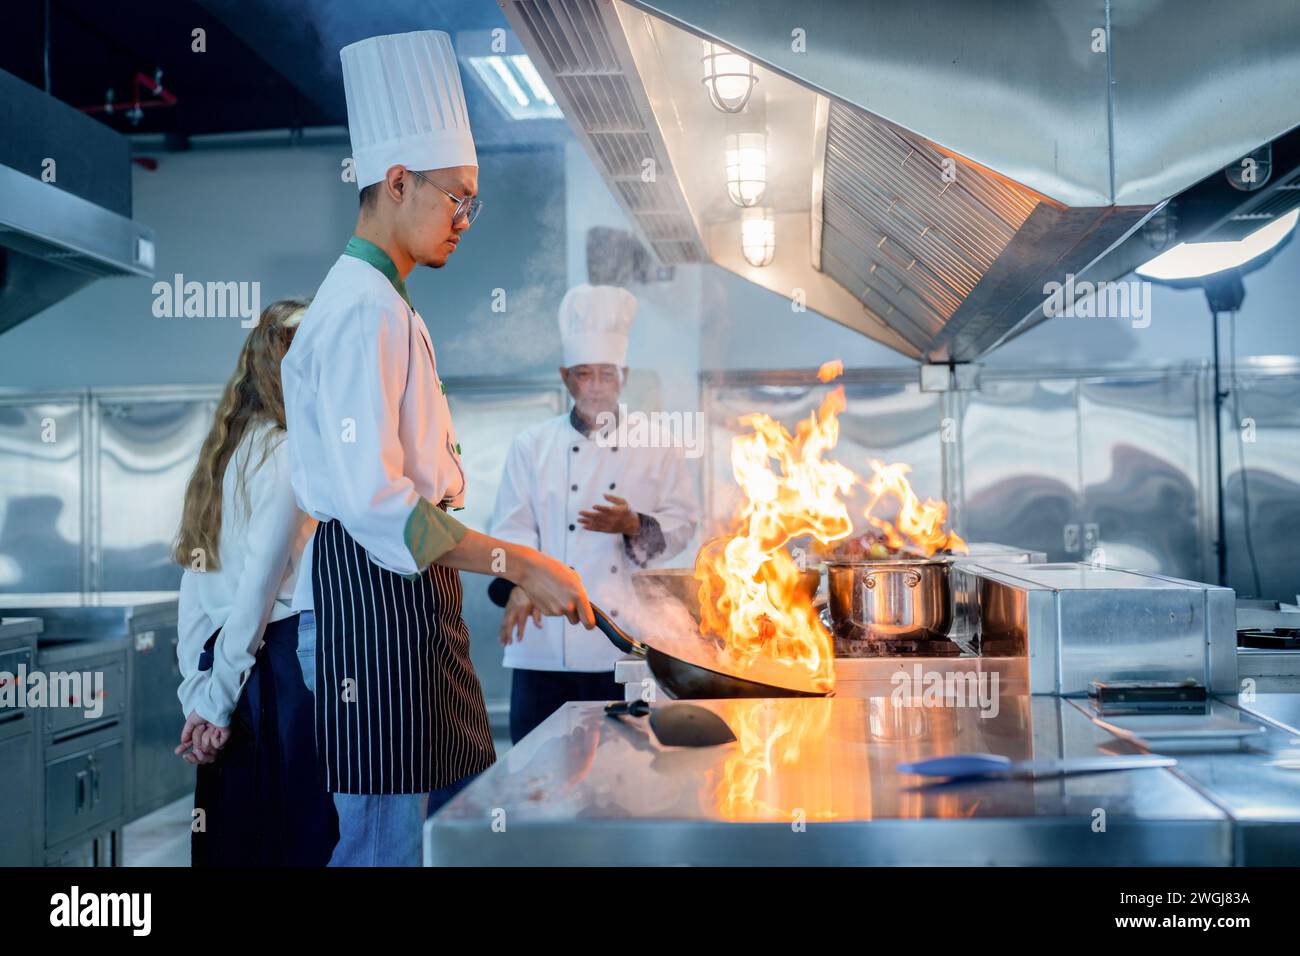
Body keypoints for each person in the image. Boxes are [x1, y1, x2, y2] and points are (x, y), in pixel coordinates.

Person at [281, 30, 595, 868]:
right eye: (455, 197)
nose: (464, 218)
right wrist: (519, 563)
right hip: (370, 609)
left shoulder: (390, 304)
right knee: (385, 851)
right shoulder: (360, 313)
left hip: (411, 610)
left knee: (446, 836)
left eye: (472, 200)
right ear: (395, 183)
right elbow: (381, 508)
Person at [488, 284, 699, 743]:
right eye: (586, 375)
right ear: (566, 377)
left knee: (621, 773)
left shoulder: (657, 441)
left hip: (621, 641)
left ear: (623, 376)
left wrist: (633, 525)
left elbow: (684, 523)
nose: (597, 387)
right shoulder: (532, 445)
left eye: (607, 374)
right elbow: (511, 531)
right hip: (544, 643)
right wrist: (522, 582)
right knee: (536, 775)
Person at [173, 297, 339, 867]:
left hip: (224, 663)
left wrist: (198, 694)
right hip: (277, 671)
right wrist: (215, 704)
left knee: (233, 838)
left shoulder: (224, 451)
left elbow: (193, 588)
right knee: (290, 836)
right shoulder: (296, 452)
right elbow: (260, 589)